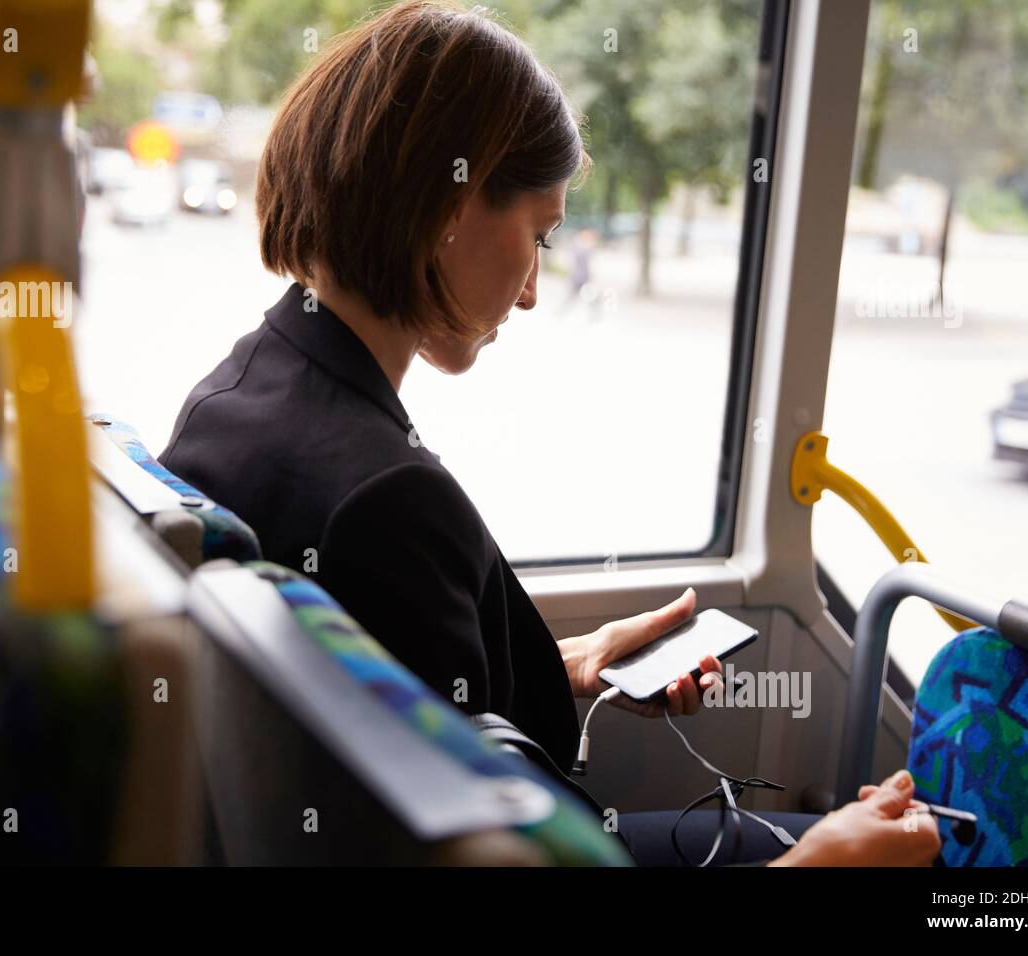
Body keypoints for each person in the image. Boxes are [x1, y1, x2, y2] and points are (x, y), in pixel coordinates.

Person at [160, 0, 940, 867]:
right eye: (538, 232)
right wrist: (823, 865)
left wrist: (563, 667)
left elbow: (397, 698)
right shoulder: (387, 501)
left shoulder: (231, 396)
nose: (532, 289)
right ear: (447, 202)